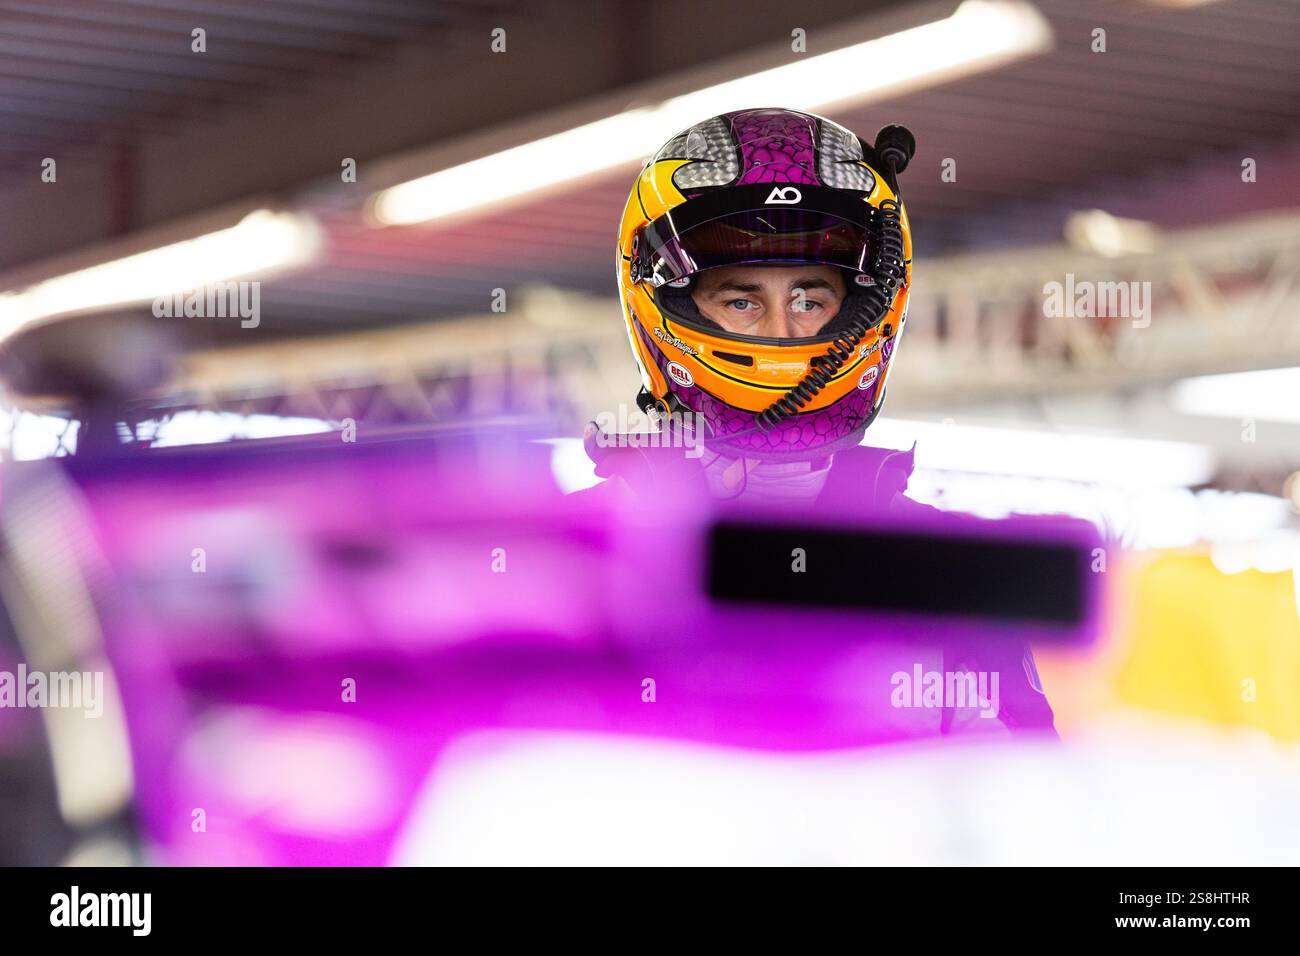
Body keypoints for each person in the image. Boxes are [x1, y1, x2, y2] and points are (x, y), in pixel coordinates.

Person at [584, 107, 1056, 737]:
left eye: (810, 299)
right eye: (741, 300)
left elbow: (1026, 807)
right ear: (663, 299)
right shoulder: (576, 560)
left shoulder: (948, 573)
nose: (783, 330)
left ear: (864, 307)